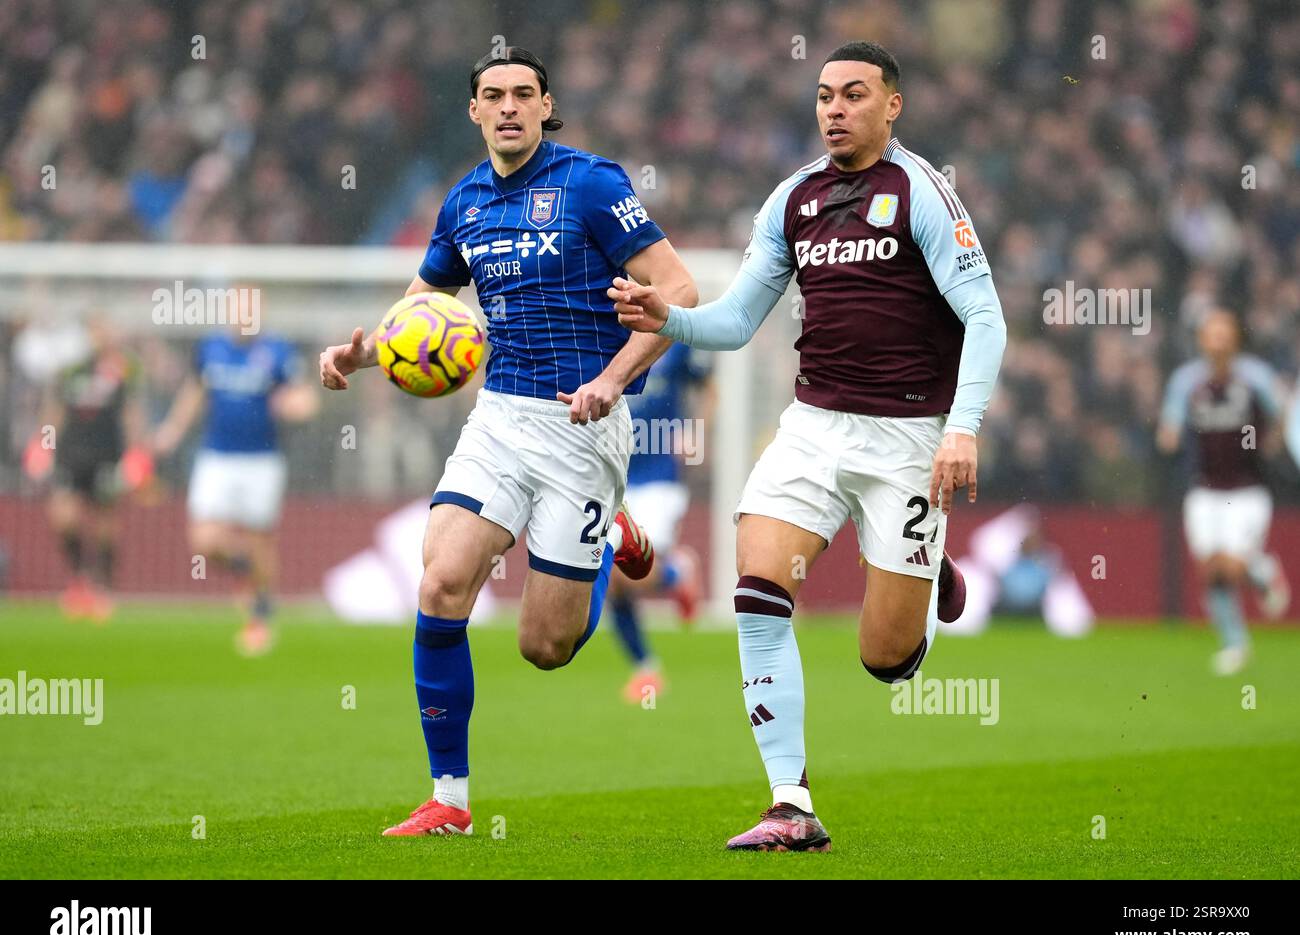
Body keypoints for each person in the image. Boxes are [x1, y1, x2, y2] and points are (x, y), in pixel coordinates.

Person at [609, 41, 1006, 851]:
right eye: (824, 95)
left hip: (906, 438)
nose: (833, 109)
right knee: (757, 588)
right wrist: (669, 318)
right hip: (814, 425)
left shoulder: (921, 192)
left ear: (892, 106)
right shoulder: (793, 199)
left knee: (887, 661)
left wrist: (961, 428)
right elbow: (737, 320)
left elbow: (987, 318)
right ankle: (791, 803)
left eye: (853, 95)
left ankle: (923, 581)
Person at [319, 47, 697, 838]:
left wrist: (614, 379)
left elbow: (681, 288)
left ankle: (608, 539)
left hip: (583, 427)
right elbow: (424, 305)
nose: (509, 107)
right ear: (475, 111)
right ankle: (449, 800)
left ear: (546, 104)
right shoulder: (462, 203)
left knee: (545, 648)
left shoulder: (592, 183)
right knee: (440, 584)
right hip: (498, 418)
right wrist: (363, 352)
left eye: (524, 94)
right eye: (494, 95)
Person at [154, 293, 318, 654]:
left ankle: (259, 620)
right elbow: (194, 392)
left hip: (262, 460)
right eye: (237, 307)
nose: (243, 315)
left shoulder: (277, 352)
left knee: (261, 538)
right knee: (205, 540)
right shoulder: (211, 348)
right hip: (217, 456)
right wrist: (172, 431)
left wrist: (296, 406)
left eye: (250, 309)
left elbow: (304, 397)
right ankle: (247, 573)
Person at [1157, 309, 1289, 675]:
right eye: (1210, 333)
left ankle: (1261, 570)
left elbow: (1282, 411)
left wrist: (1277, 437)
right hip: (1204, 489)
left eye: (1223, 332)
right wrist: (1168, 433)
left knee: (1231, 566)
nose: (1217, 339)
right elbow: (1170, 421)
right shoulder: (1187, 381)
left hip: (1247, 489)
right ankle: (1235, 643)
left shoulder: (1255, 377)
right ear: (1202, 340)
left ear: (1234, 338)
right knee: (1211, 571)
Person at [609, 342, 711, 702]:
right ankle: (646, 670)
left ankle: (676, 573)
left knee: (632, 573)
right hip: (615, 476)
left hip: (658, 479)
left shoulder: (675, 339)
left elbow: (707, 385)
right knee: (611, 580)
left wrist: (697, 431)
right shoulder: (602, 329)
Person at [37, 314, 146, 620]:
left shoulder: (124, 371)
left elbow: (132, 413)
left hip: (107, 456)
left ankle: (104, 588)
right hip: (71, 455)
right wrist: (43, 447)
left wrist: (138, 453)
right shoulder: (70, 371)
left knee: (106, 525)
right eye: (93, 330)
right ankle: (79, 578)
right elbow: (54, 412)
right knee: (64, 518)